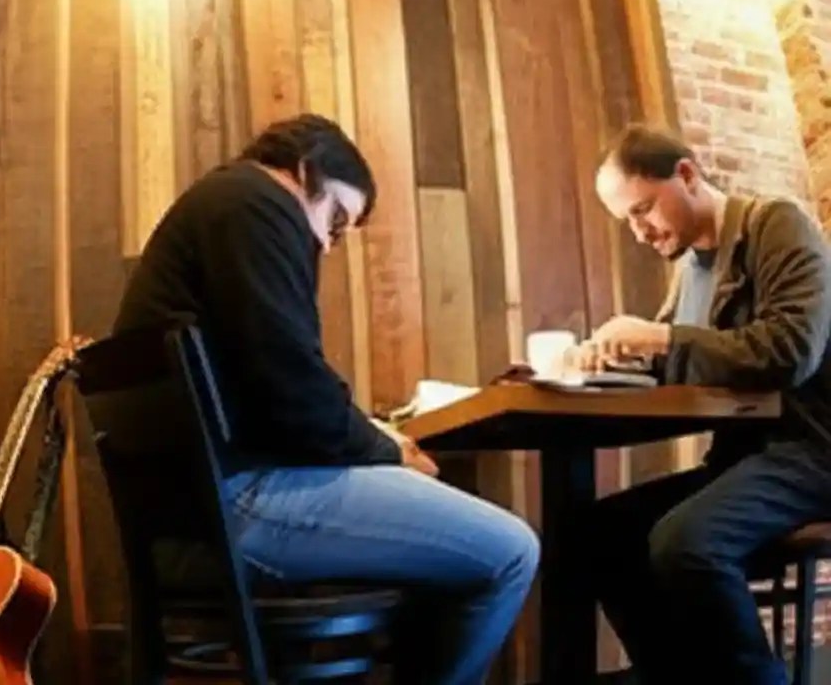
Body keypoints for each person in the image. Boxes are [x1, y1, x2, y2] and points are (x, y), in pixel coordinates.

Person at [112, 113, 539, 684]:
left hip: (193, 511)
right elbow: (294, 392)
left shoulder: (218, 208)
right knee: (510, 550)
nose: (326, 245)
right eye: (335, 220)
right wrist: (385, 449)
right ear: (306, 170)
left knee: (441, 544)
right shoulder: (255, 201)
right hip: (234, 504)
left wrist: (366, 437)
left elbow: (276, 377)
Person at [574, 123, 831, 684]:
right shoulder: (689, 271)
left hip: (812, 449)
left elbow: (790, 350)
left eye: (643, 210)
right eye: (628, 222)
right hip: (745, 454)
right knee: (599, 533)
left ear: (686, 174)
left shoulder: (776, 224)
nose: (640, 233)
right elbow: (678, 358)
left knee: (685, 543)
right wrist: (614, 361)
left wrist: (661, 339)